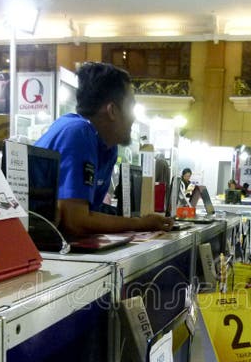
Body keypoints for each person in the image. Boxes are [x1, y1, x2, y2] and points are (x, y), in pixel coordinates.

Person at [35, 62, 173, 237]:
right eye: (131, 106)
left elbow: (88, 214)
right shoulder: (78, 133)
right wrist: (140, 224)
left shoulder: (107, 148)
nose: (134, 117)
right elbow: (74, 222)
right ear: (112, 111)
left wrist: (142, 221)